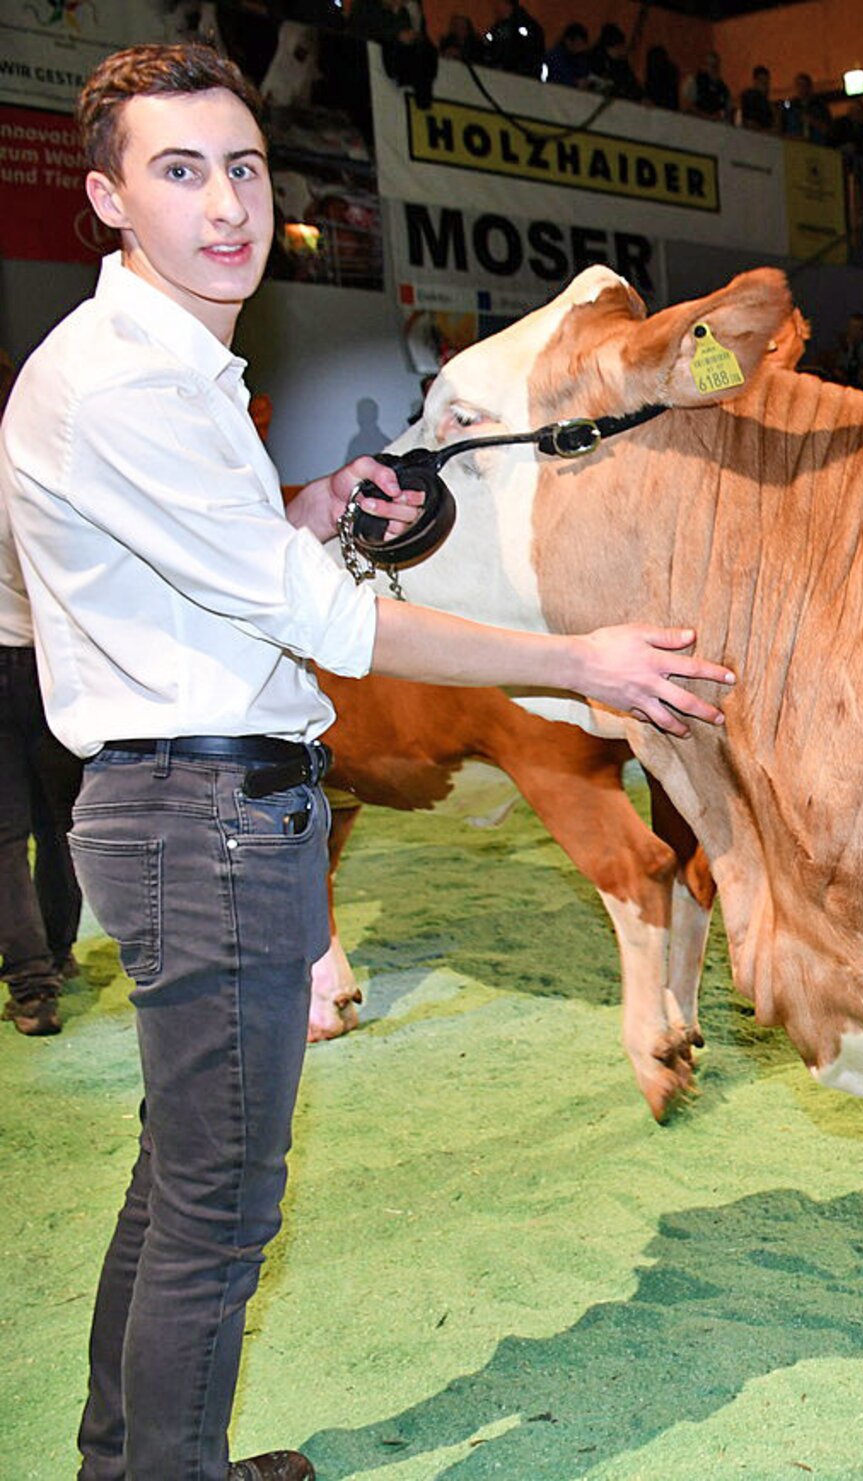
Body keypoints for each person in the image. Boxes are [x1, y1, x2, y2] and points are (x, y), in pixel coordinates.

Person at [0, 46, 734, 1481]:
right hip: (202, 813)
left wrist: (325, 502)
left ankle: (135, 1461)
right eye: (178, 171)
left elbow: (240, 567)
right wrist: (580, 658)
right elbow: (322, 617)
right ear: (103, 198)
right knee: (218, 1211)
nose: (227, 206)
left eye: (245, 168)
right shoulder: (132, 385)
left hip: (196, 803)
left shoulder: (162, 364)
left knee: (182, 1183)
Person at [0, 478, 81, 1036]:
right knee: (60, 825)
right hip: (56, 662)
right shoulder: (46, 474)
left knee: (5, 836)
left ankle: (33, 990)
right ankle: (56, 952)